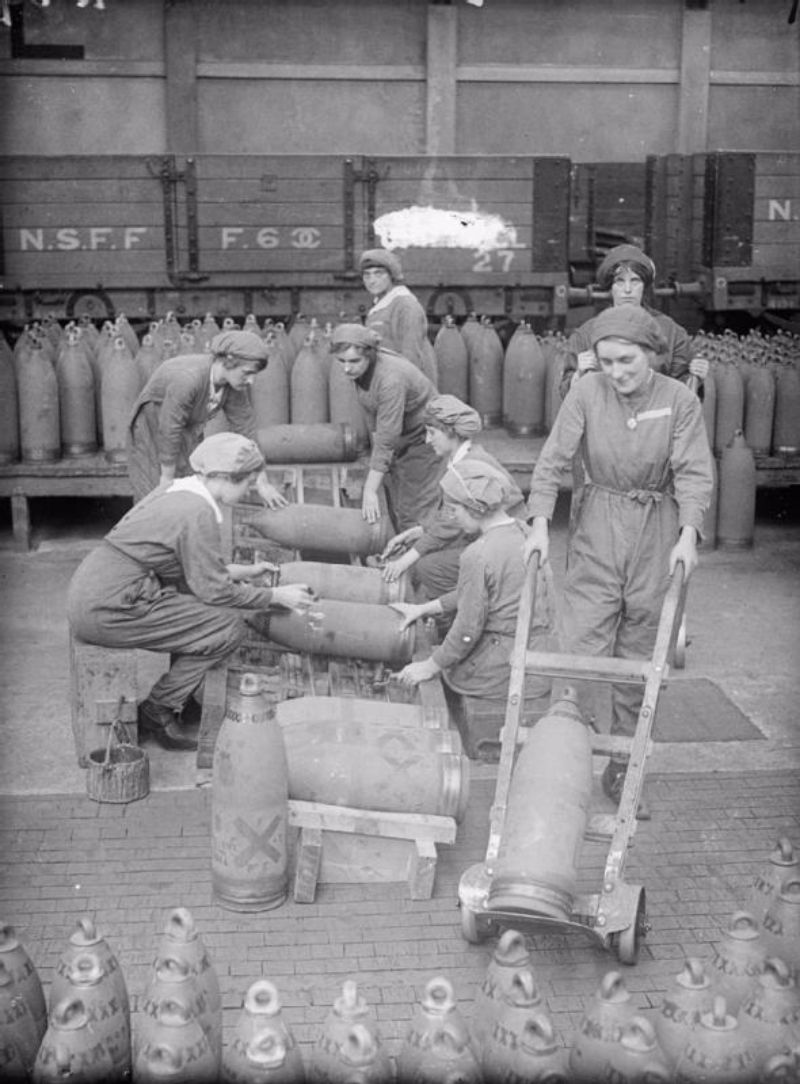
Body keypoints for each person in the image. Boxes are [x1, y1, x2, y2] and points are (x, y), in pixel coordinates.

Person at [524, 305, 714, 808]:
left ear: (651, 354)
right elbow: (552, 459)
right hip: (598, 525)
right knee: (581, 647)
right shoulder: (587, 392)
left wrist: (688, 535)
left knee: (640, 654)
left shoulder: (679, 400)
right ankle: (561, 762)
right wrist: (539, 523)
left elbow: (694, 473)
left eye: (626, 360)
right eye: (606, 362)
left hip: (657, 529)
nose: (616, 372)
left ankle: (624, 768)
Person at [67, 433, 315, 752]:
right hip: (110, 606)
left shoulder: (177, 489)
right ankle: (158, 710)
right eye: (249, 483)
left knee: (198, 611)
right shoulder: (198, 511)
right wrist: (276, 596)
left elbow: (187, 568)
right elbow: (215, 592)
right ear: (226, 477)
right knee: (227, 628)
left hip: (93, 590)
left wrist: (246, 572)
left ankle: (179, 696)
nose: (249, 491)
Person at [391, 459, 539, 703]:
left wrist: (429, 666)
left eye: (454, 510)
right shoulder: (526, 532)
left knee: (452, 671)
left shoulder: (477, 554)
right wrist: (423, 609)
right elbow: (471, 593)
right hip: (537, 656)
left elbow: (467, 629)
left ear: (474, 508)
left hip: (508, 668)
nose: (453, 517)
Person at [378, 394, 525, 600]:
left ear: (450, 432)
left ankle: (466, 611)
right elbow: (449, 514)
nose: (427, 440)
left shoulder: (468, 465)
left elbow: (449, 526)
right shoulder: (460, 459)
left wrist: (404, 561)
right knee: (429, 552)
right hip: (496, 535)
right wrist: (416, 532)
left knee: (429, 567)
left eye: (432, 433)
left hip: (509, 546)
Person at [127, 328, 286, 509]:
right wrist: (166, 480)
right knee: (155, 494)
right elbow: (169, 428)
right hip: (152, 429)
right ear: (229, 361)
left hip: (187, 428)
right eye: (247, 373)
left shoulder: (231, 384)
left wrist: (262, 482)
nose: (251, 381)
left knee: (190, 485)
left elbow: (246, 428)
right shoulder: (188, 379)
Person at [330, 322, 443, 533]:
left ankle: (420, 551)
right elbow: (374, 414)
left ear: (369, 354)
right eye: (341, 361)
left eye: (354, 361)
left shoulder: (391, 379)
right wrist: (380, 463)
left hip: (426, 440)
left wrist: (369, 490)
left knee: (415, 508)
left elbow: (387, 436)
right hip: (401, 438)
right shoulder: (362, 370)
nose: (346, 368)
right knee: (394, 499)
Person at [561, 243, 709, 394]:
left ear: (644, 286)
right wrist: (579, 375)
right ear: (610, 287)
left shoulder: (670, 332)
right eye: (619, 281)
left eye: (635, 281)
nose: (627, 289)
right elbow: (567, 394)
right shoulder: (585, 335)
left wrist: (696, 377)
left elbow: (682, 392)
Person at [360, 248, 439, 385]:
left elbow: (411, 355)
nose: (371, 281)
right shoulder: (381, 305)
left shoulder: (405, 306)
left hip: (407, 385)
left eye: (378, 274)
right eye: (367, 275)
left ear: (392, 276)